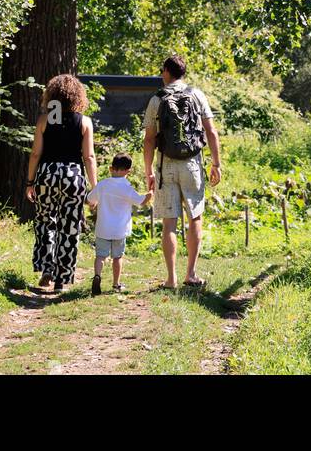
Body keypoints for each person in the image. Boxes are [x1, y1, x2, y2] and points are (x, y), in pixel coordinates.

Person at [142, 54, 221, 290]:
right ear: (183, 72)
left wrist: (149, 172)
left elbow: (148, 140)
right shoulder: (197, 95)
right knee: (195, 217)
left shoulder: (156, 99)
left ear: (167, 71)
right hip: (193, 163)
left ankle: (170, 279)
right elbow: (211, 131)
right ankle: (191, 274)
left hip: (166, 164)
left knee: (169, 223)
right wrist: (216, 163)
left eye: (161, 70)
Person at [26, 73, 98, 294]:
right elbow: (89, 157)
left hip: (47, 175)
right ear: (78, 96)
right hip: (73, 177)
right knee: (69, 227)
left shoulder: (44, 120)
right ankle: (61, 278)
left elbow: (36, 153)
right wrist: (95, 188)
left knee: (46, 222)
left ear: (53, 95)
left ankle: (47, 267)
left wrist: (30, 182)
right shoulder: (84, 122)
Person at [85, 152, 152, 295]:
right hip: (120, 230)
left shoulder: (102, 185)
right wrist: (150, 193)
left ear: (111, 168)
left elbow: (89, 200)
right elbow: (141, 201)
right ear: (129, 171)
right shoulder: (127, 188)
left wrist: (93, 203)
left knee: (100, 256)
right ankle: (116, 284)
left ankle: (97, 276)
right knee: (117, 257)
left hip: (103, 228)